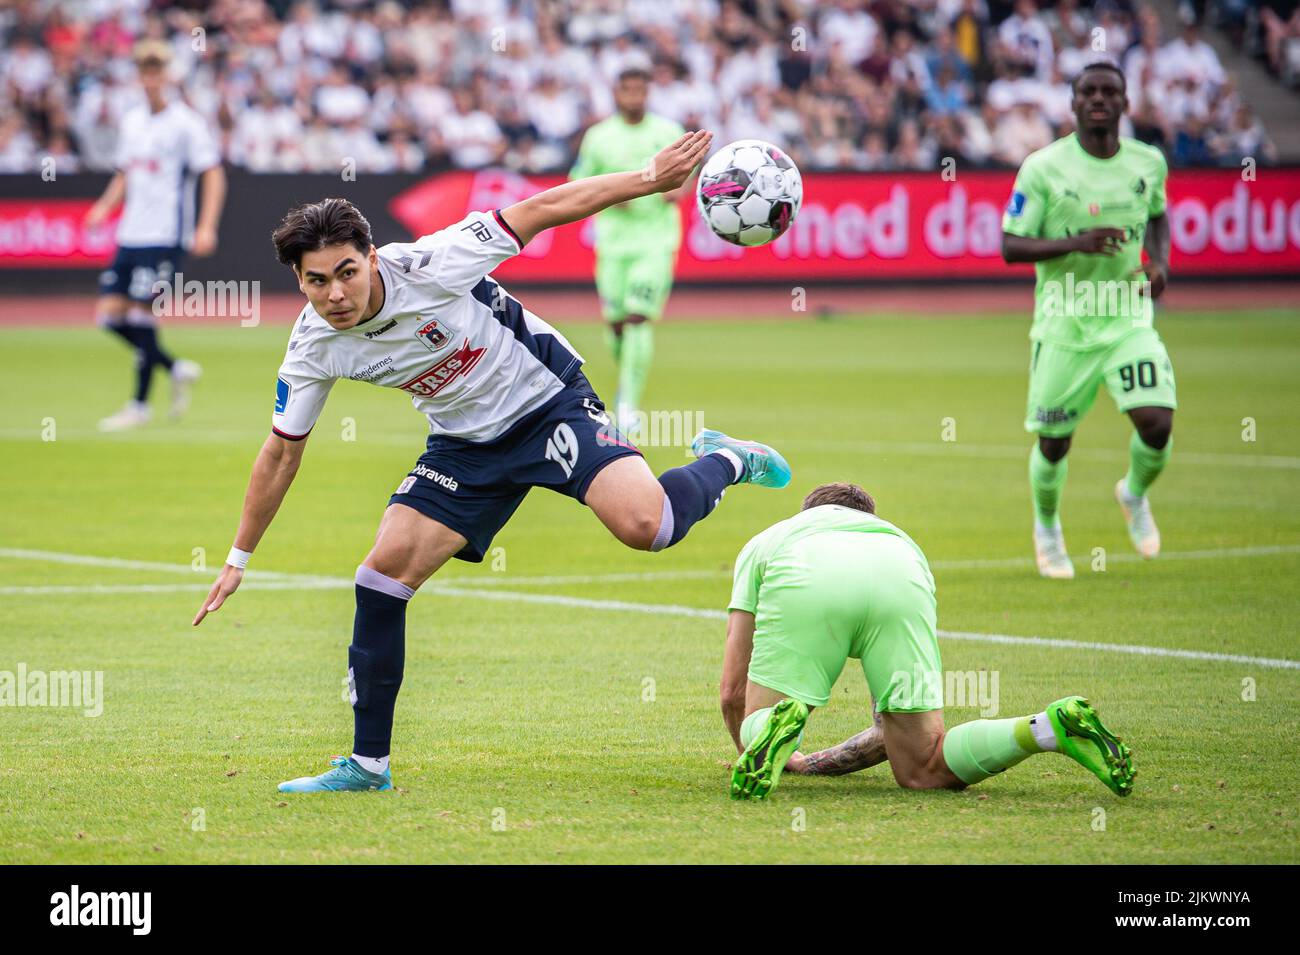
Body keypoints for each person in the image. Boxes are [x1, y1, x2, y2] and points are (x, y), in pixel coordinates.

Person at [193, 130, 794, 794]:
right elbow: (282, 451)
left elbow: (539, 209)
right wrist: (238, 556)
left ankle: (729, 460)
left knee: (645, 526)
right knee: (381, 575)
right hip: (464, 445)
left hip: (549, 404)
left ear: (371, 257)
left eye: (347, 273)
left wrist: (647, 178)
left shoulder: (432, 263)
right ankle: (367, 765)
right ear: (297, 279)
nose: (335, 293)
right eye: (316, 281)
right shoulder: (313, 346)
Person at [719, 482, 1136, 800]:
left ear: (808, 512)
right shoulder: (902, 542)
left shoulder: (772, 538)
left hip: (806, 580)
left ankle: (772, 731)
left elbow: (732, 691)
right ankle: (1045, 730)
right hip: (900, 581)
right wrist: (818, 764)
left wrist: (757, 749)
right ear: (868, 515)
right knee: (923, 768)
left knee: (769, 712)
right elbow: (887, 731)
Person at [1001, 61, 1174, 579]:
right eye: (1089, 91)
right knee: (1055, 443)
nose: (1099, 99)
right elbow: (1010, 245)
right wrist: (1075, 243)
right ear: (1073, 103)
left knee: (1157, 423)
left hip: (1127, 319)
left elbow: (1159, 216)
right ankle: (1048, 530)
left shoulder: (1148, 163)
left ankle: (1134, 493)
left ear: (1125, 103)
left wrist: (1159, 262)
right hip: (1063, 325)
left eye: (1110, 92)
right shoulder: (1042, 167)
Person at [85, 40, 225, 430]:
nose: (150, 80)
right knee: (109, 318)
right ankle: (174, 367)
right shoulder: (132, 121)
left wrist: (206, 225)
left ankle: (139, 405)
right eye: (144, 72)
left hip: (165, 233)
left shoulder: (186, 124)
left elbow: (212, 172)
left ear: (168, 76)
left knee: (141, 315)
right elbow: (125, 173)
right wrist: (103, 207)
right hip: (131, 232)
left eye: (157, 72)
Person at [569, 68, 690, 436]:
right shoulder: (599, 136)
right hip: (613, 242)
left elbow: (691, 172)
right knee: (617, 326)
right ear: (617, 94)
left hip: (655, 240)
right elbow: (579, 179)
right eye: (628, 90)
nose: (634, 97)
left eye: (640, 90)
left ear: (648, 92)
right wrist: (608, 196)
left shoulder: (667, 132)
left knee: (639, 318)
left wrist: (679, 190)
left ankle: (628, 405)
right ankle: (626, 387)